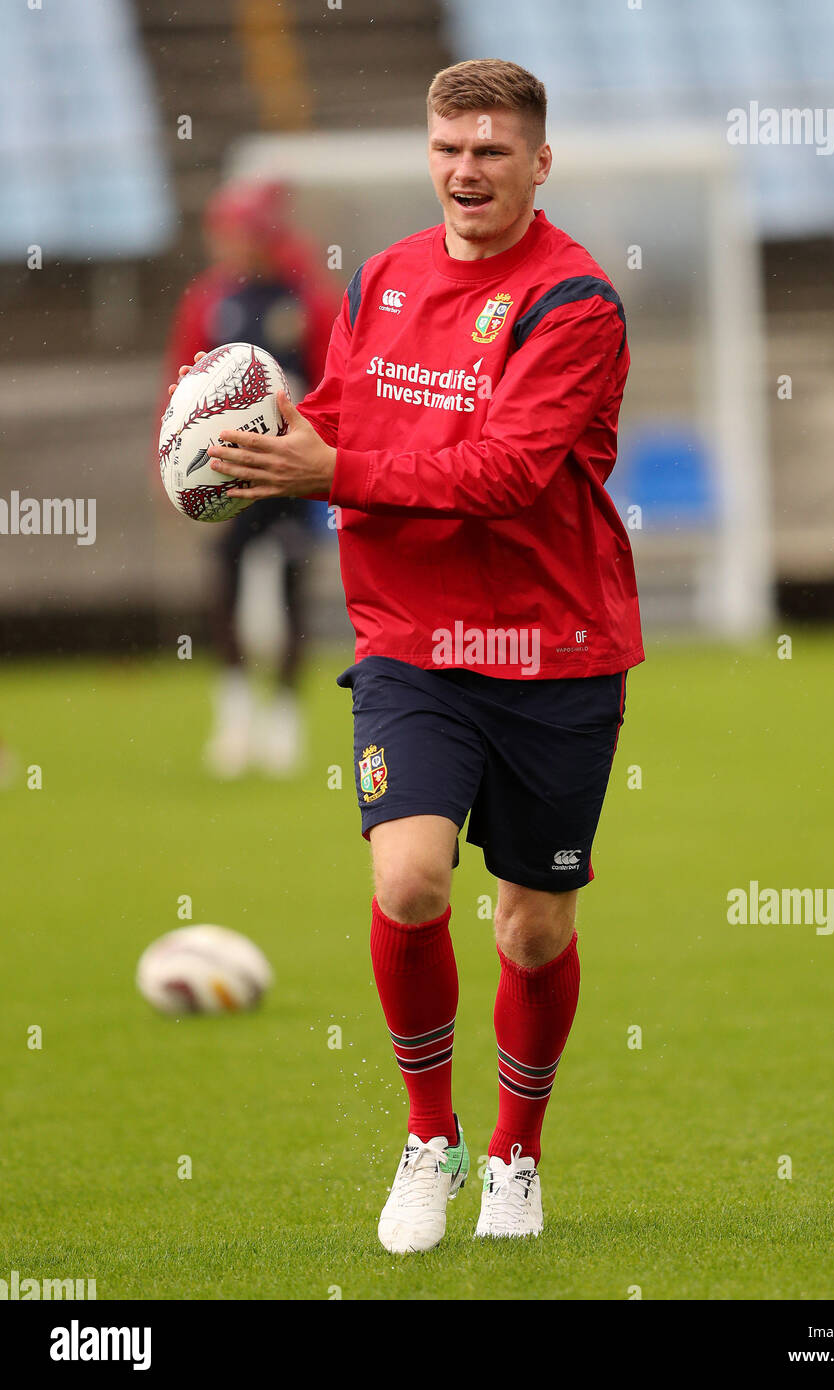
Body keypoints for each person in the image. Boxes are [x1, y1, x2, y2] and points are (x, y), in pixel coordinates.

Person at [169, 59, 643, 1250]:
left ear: (539, 162)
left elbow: (506, 473)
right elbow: (341, 407)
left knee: (533, 927)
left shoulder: (574, 303)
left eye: (490, 152)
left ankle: (516, 1157)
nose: (465, 171)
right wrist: (247, 440)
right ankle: (428, 1137)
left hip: (554, 653)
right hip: (414, 647)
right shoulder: (382, 276)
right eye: (447, 149)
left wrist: (332, 470)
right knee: (409, 880)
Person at [161, 180, 341, 777]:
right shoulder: (210, 300)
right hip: (223, 475)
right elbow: (180, 389)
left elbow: (334, 385)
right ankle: (234, 717)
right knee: (225, 587)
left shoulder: (307, 298)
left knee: (291, 592)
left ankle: (285, 721)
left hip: (288, 475)